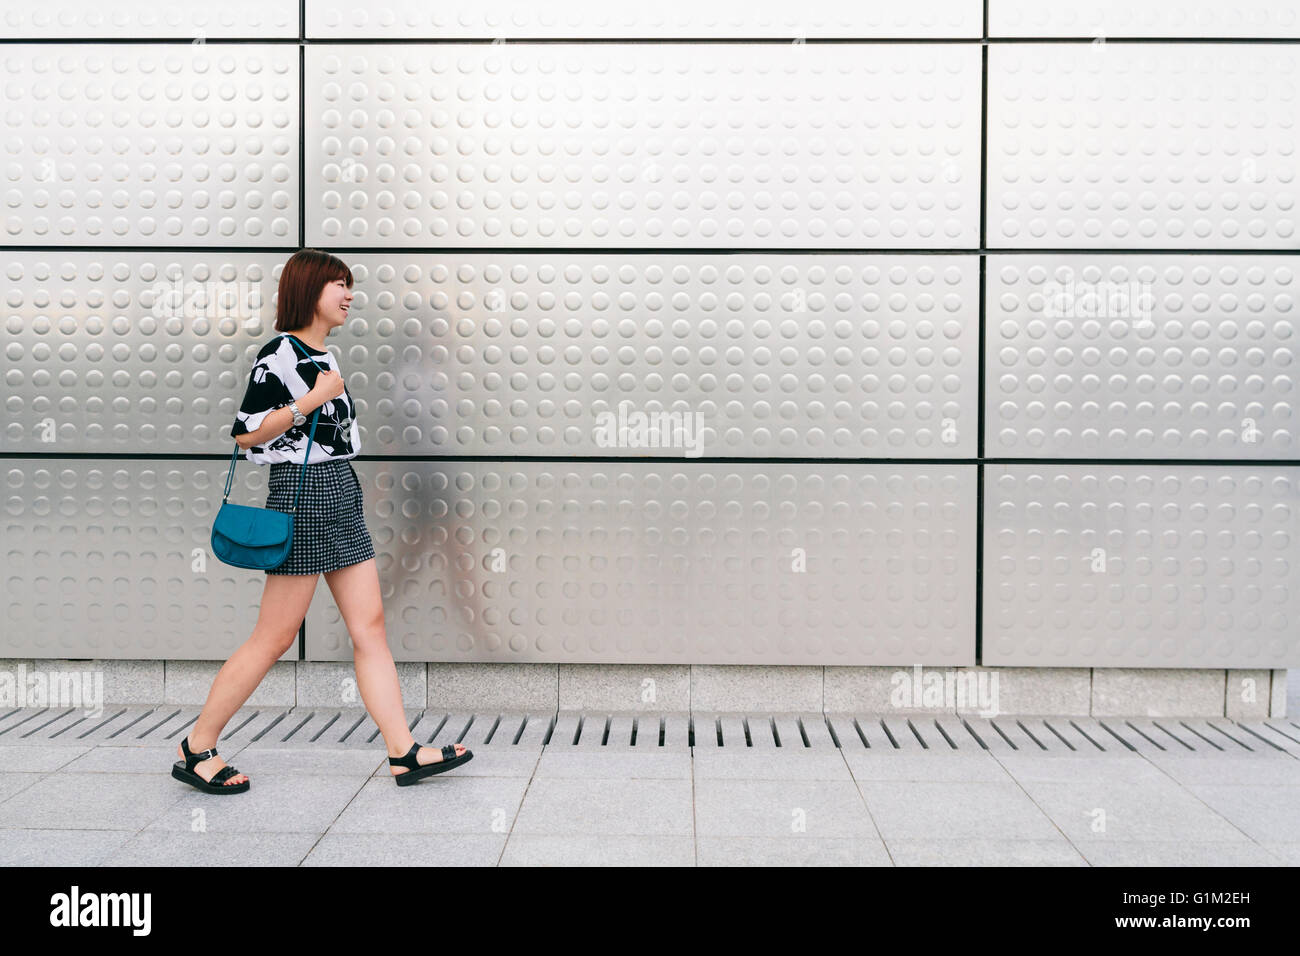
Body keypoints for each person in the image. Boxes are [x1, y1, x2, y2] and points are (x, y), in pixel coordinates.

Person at [170, 249, 471, 793]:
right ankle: (197, 747)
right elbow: (245, 432)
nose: (349, 294)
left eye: (349, 284)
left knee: (369, 627)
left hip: (340, 494)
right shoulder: (279, 354)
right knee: (274, 637)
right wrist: (311, 400)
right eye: (339, 283)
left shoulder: (325, 355)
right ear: (309, 290)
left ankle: (404, 752)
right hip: (302, 498)